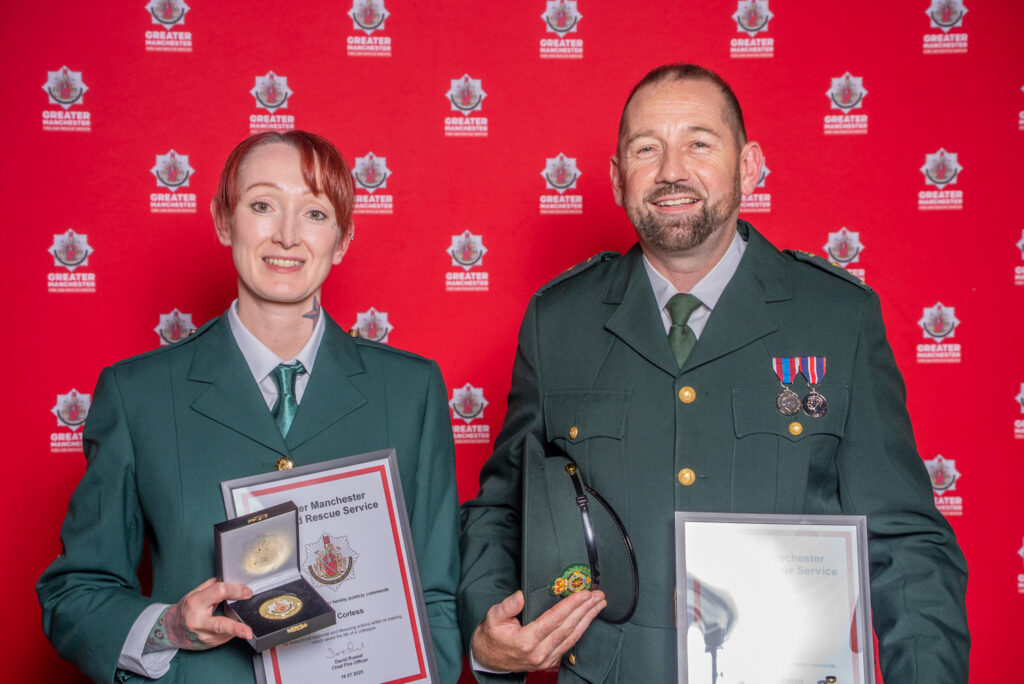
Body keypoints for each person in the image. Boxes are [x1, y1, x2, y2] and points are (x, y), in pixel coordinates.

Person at [458, 64, 969, 682]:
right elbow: (503, 509)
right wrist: (488, 633)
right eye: (647, 149)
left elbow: (906, 547)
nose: (672, 170)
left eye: (699, 143)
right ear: (620, 178)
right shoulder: (556, 321)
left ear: (748, 166)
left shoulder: (838, 318)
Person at [37, 131, 462, 683]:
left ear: (342, 240)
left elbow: (436, 599)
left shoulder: (411, 390)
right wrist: (169, 627)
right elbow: (75, 594)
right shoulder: (137, 394)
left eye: (314, 212)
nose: (286, 235)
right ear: (223, 219)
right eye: (262, 205)